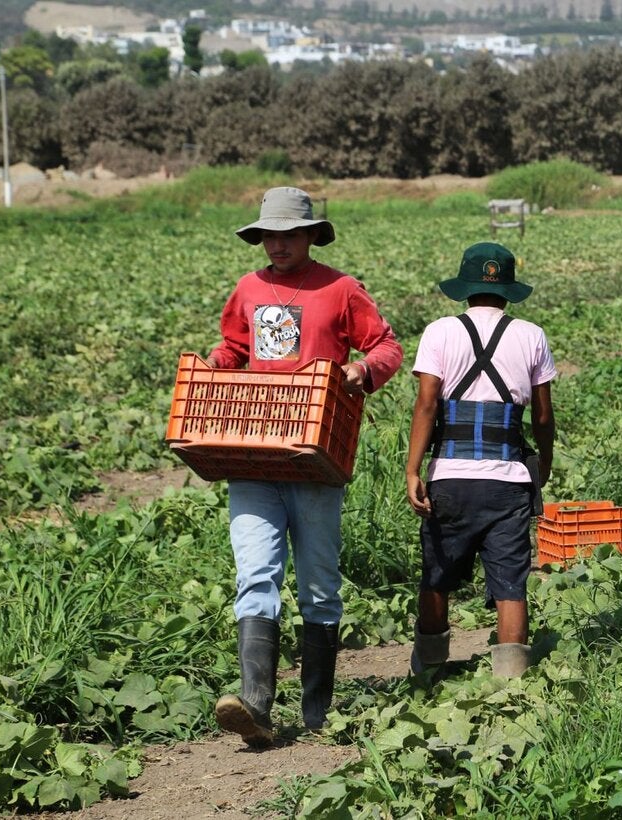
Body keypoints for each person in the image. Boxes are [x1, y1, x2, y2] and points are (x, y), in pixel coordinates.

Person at [206, 187, 404, 746]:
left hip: (314, 457)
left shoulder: (341, 289)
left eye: (289, 233)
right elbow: (232, 347)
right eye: (269, 234)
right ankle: (256, 707)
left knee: (318, 585)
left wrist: (363, 373)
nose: (277, 243)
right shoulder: (247, 288)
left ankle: (316, 710)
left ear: (311, 235)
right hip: (254, 450)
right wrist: (215, 363)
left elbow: (386, 346)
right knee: (255, 576)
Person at [405, 242, 556, 680]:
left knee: (437, 574)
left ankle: (430, 669)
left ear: (464, 288)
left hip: (450, 476)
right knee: (511, 582)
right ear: (508, 290)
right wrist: (543, 461)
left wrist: (414, 469)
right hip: (508, 479)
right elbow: (543, 416)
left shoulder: (439, 332)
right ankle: (512, 680)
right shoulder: (531, 335)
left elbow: (427, 405)